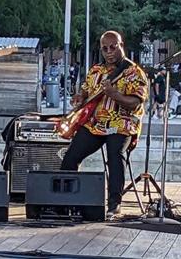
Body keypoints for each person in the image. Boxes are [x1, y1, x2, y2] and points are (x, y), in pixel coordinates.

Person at [60, 31, 148, 219]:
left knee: (115, 155)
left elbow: (135, 103)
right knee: (71, 156)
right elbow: (85, 91)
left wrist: (114, 94)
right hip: (96, 124)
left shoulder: (134, 72)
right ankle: (65, 200)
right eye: (105, 48)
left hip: (122, 123)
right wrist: (79, 98)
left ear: (121, 45)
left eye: (113, 47)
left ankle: (114, 204)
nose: (109, 52)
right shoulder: (96, 71)